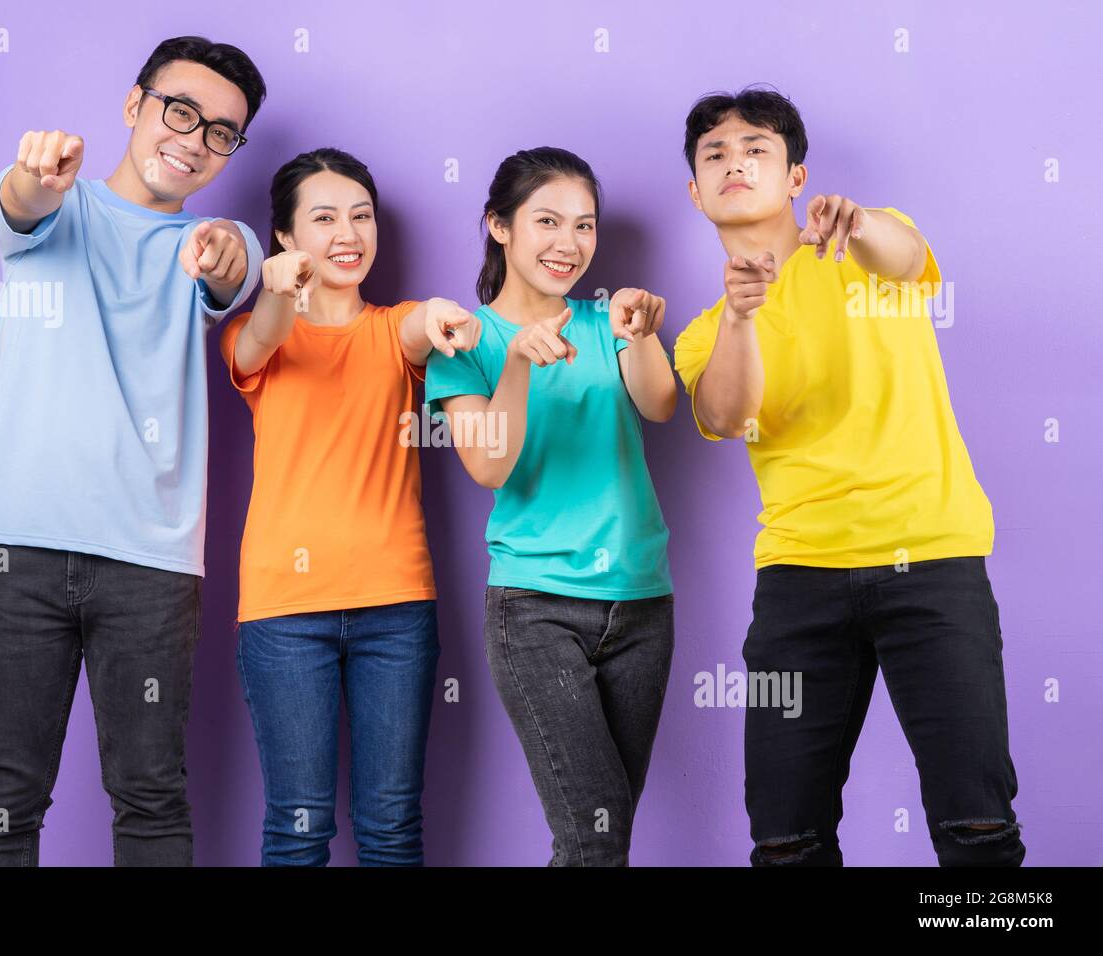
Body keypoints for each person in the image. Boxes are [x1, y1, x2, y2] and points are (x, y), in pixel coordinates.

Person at [673, 85, 1025, 866]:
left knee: (978, 828)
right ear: (695, 192)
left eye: (756, 148)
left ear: (796, 177)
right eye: (716, 155)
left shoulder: (872, 249)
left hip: (931, 560)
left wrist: (860, 223)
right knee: (785, 839)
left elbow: (903, 253)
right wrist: (738, 317)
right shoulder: (703, 331)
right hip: (798, 579)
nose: (736, 163)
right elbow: (728, 415)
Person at [0, 36, 267, 866]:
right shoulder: (58, 205)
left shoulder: (213, 239)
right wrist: (34, 174)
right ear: (135, 106)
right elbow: (19, 201)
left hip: (152, 562)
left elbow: (233, 274)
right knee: (3, 798)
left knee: (152, 797)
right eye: (180, 112)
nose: (195, 139)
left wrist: (230, 262)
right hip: (18, 549)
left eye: (221, 132)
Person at [219, 147, 481, 866]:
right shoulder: (252, 334)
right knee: (297, 831)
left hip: (396, 610)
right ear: (286, 237)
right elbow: (265, 334)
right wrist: (276, 289)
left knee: (392, 829)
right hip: (283, 614)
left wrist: (443, 316)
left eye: (361, 216)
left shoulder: (392, 329)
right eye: (325, 217)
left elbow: (420, 323)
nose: (348, 233)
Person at [423, 146, 677, 866]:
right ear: (499, 226)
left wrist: (641, 331)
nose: (569, 244)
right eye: (547, 222)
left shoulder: (606, 322)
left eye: (585, 226)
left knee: (605, 836)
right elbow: (488, 463)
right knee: (593, 835)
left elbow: (660, 406)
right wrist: (517, 364)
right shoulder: (464, 341)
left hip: (642, 603)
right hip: (536, 609)